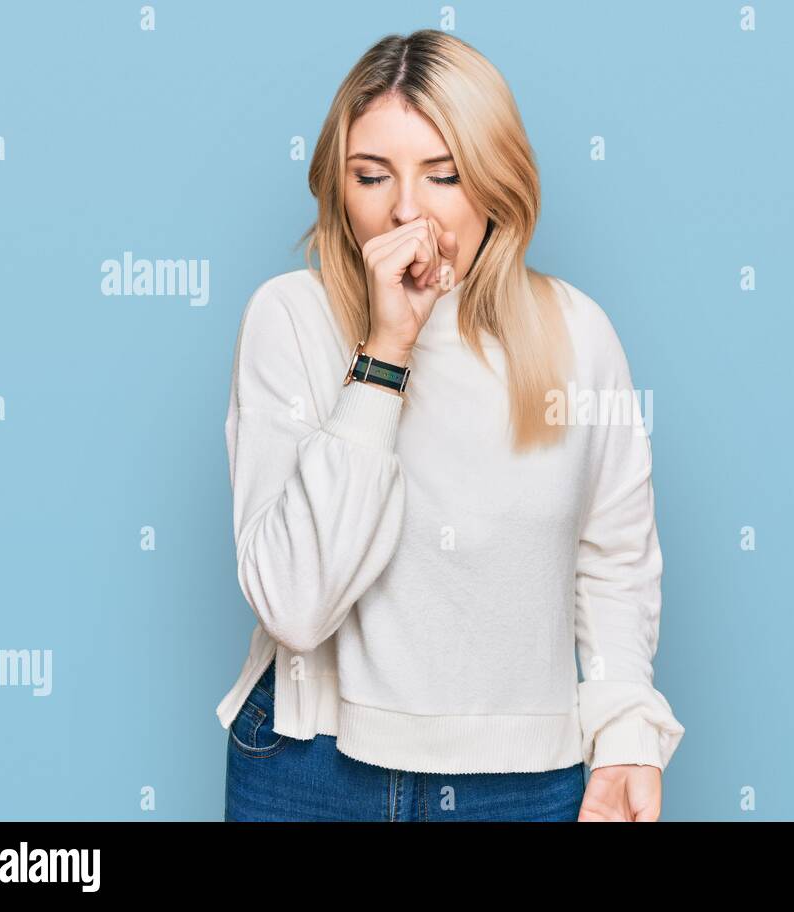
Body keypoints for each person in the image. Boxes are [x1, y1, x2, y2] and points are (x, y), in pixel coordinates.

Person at [218, 28, 683, 822]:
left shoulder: (577, 332)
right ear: (339, 186)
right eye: (373, 176)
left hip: (525, 781)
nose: (406, 209)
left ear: (496, 184)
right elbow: (294, 605)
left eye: (444, 175)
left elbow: (613, 561)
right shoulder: (289, 319)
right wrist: (385, 354)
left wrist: (628, 732)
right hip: (309, 772)